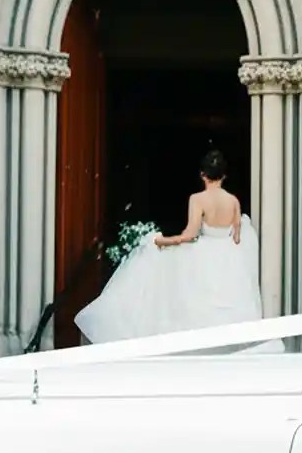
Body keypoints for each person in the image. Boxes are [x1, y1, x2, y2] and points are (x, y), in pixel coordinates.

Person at [74, 149, 281, 351]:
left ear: (202, 175)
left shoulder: (198, 199)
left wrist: (163, 241)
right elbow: (236, 236)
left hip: (203, 256)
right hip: (227, 259)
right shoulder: (233, 201)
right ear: (224, 176)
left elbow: (190, 234)